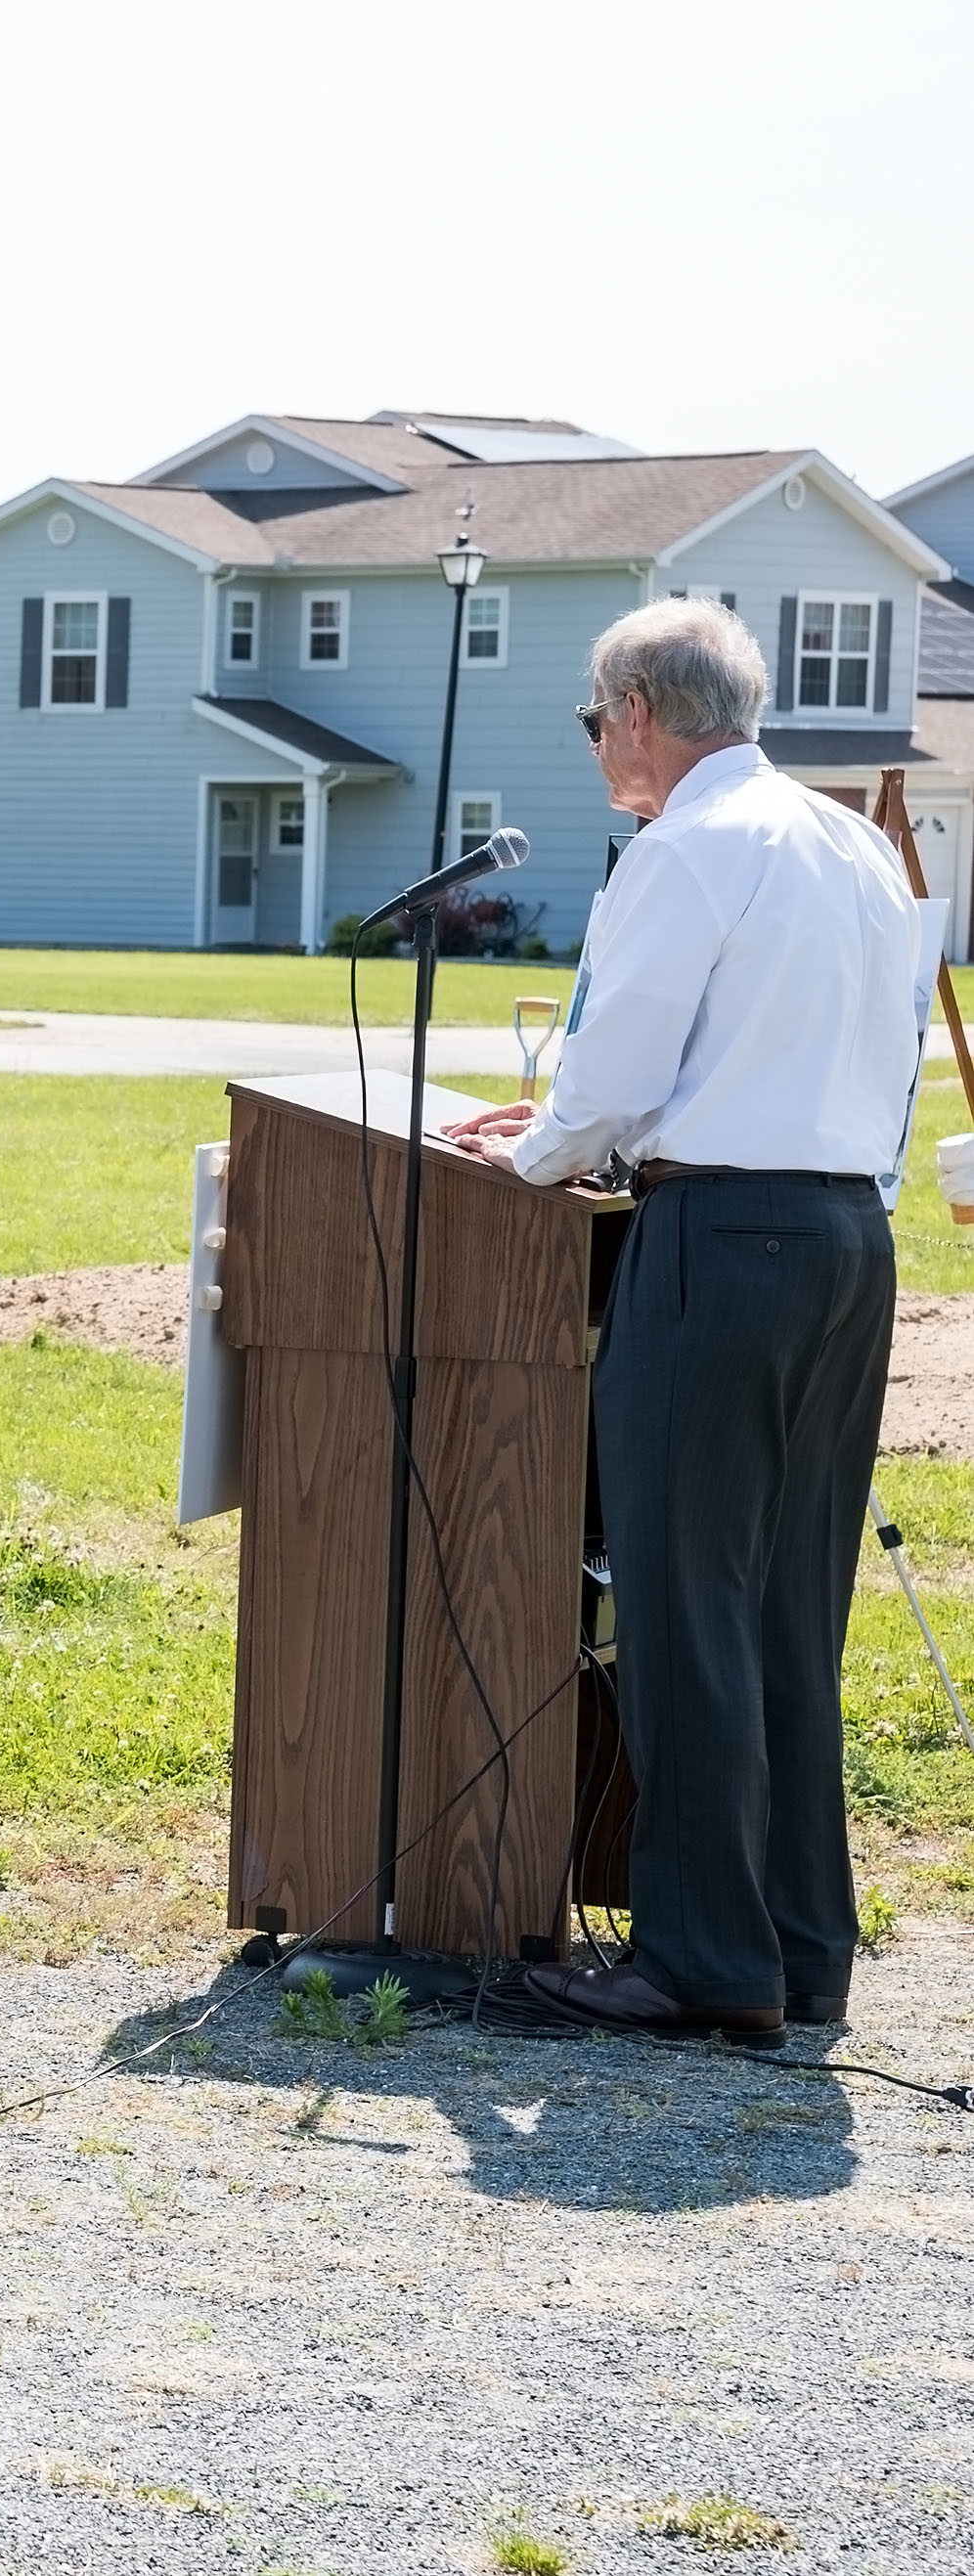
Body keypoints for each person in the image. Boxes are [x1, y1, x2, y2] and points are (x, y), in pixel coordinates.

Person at [445, 600, 925, 2047]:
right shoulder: (852, 842)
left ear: (642, 709)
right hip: (847, 1239)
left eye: (595, 719)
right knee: (788, 1607)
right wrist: (584, 1128)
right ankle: (799, 1947)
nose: (598, 744)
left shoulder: (685, 846)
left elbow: (617, 1070)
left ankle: (703, 1961)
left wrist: (534, 1151)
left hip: (718, 1241)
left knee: (680, 1602)